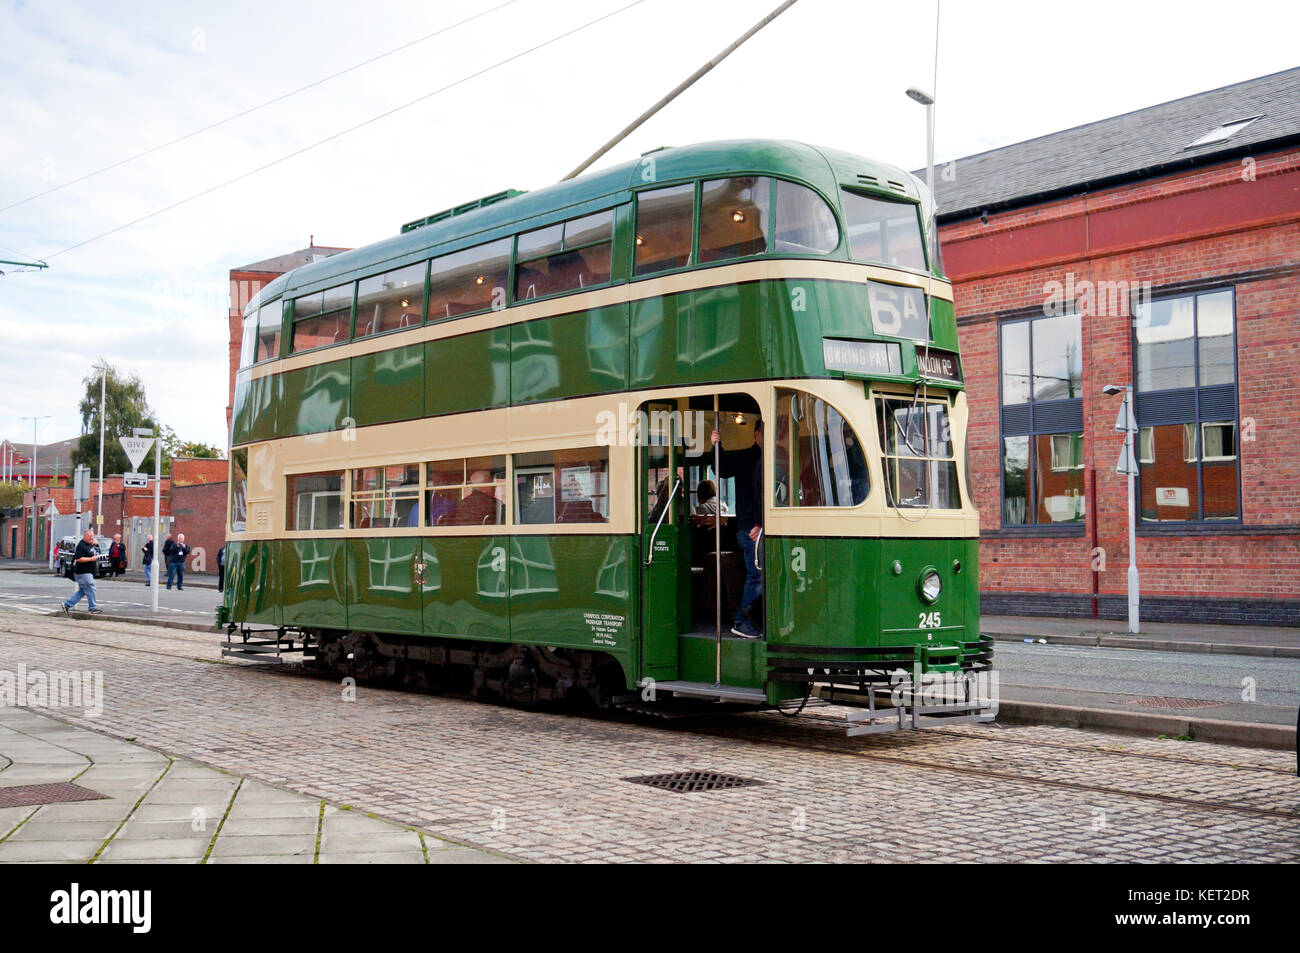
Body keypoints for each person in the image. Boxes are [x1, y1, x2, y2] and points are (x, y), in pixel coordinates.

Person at [712, 419, 764, 639]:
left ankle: (754, 620)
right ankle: (743, 621)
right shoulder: (748, 457)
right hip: (751, 528)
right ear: (756, 434)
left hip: (756, 526)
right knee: (756, 575)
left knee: (759, 575)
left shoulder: (769, 458)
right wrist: (716, 445)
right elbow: (721, 468)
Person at [61, 529, 103, 615]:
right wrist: (91, 559)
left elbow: (98, 552)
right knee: (91, 587)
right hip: (83, 572)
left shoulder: (91, 544)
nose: (91, 538)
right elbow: (79, 559)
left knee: (83, 591)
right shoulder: (81, 545)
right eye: (89, 537)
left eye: (92, 536)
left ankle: (67, 605)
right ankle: (92, 608)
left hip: (89, 572)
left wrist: (97, 544)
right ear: (85, 536)